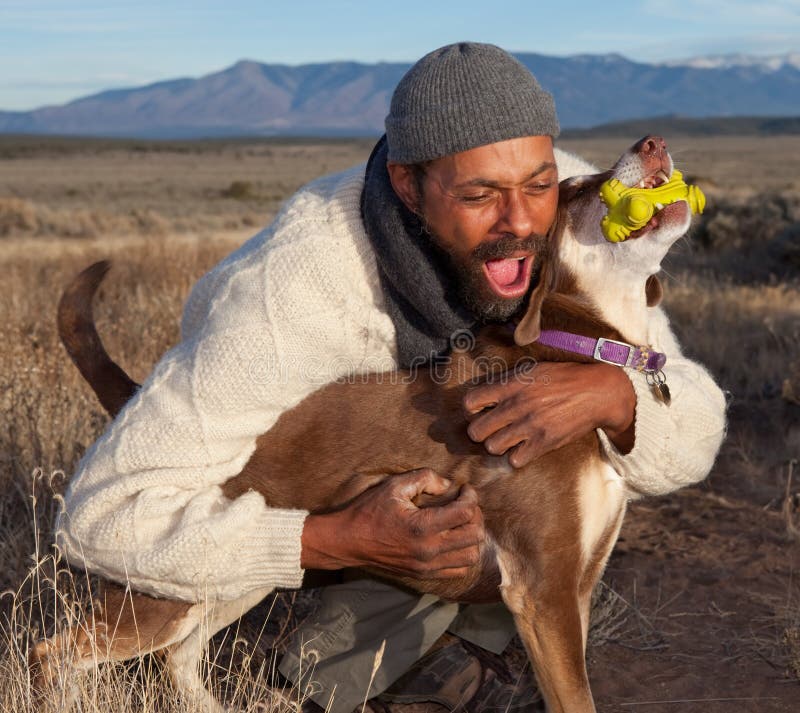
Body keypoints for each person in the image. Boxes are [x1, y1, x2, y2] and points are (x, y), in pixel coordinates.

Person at [57, 43, 727, 712]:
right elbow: (99, 521)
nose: (521, 220)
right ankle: (332, 659)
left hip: (405, 447)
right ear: (408, 186)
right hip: (277, 443)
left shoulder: (566, 201)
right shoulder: (289, 299)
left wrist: (618, 395)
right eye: (479, 195)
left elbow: (691, 432)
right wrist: (332, 538)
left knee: (539, 494)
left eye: (539, 185)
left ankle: (452, 636)